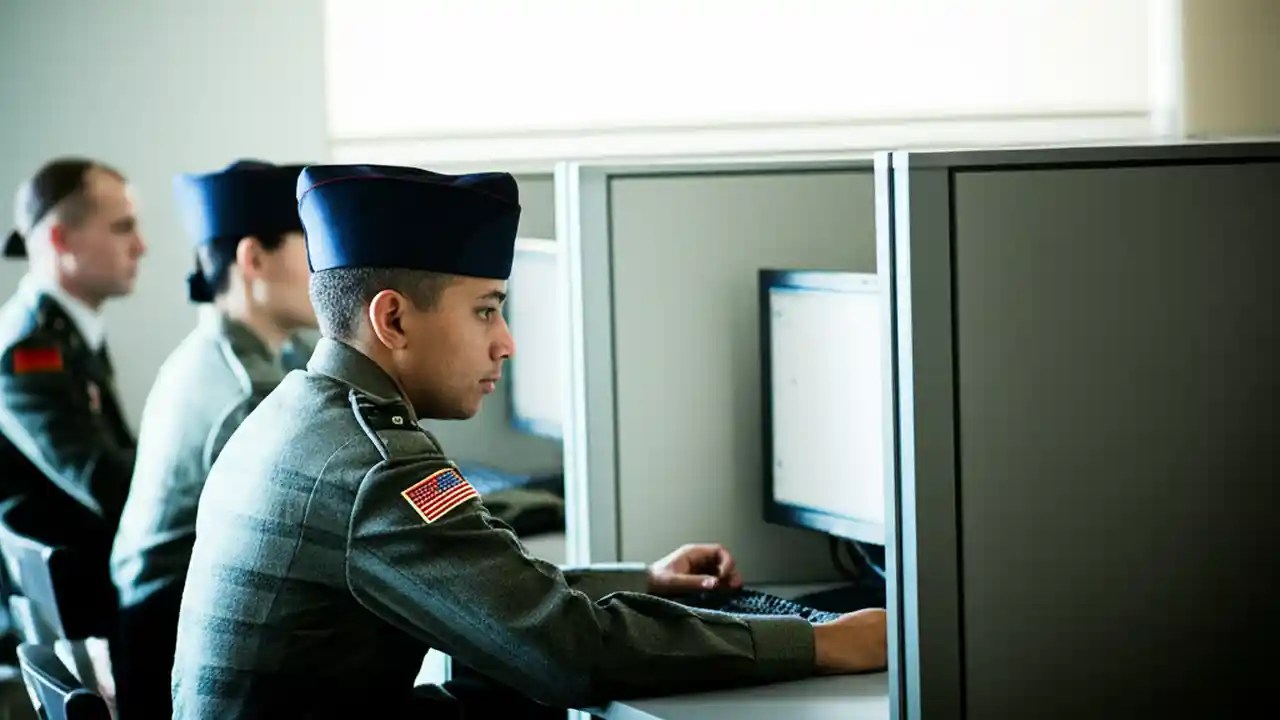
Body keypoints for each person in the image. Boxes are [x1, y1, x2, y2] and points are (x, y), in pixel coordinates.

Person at [171, 164, 887, 718]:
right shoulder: (374, 464)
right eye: (485, 312)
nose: (506, 344)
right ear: (392, 320)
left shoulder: (295, 412)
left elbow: (494, 590)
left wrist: (643, 582)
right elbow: (566, 652)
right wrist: (823, 643)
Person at [109, 159, 317, 719]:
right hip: (169, 642)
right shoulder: (247, 391)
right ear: (253, 258)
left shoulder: (210, 357)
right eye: (312, 245)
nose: (329, 267)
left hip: (153, 618)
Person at [0, 157, 145, 641]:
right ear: (61, 239)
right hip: (78, 605)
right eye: (123, 228)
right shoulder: (30, 348)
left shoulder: (62, 332)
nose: (140, 246)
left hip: (90, 584)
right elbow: (101, 481)